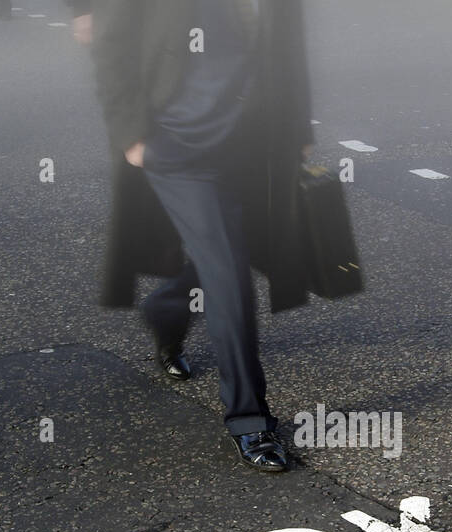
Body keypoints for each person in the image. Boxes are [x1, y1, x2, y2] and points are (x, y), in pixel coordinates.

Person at [90, 0, 315, 472]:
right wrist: (131, 132)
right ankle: (249, 419)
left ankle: (166, 308)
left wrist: (297, 124)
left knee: (242, 248)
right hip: (180, 139)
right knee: (228, 274)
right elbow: (112, 35)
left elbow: (287, 41)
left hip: (255, 134)